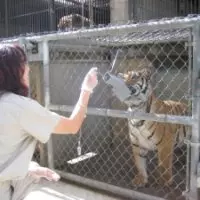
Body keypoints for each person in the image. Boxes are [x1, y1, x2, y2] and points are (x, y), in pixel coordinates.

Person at [0, 44, 98, 200]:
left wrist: (28, 170)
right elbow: (73, 125)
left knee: (32, 168)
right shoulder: (19, 107)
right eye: (24, 64)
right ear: (13, 71)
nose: (29, 69)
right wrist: (86, 89)